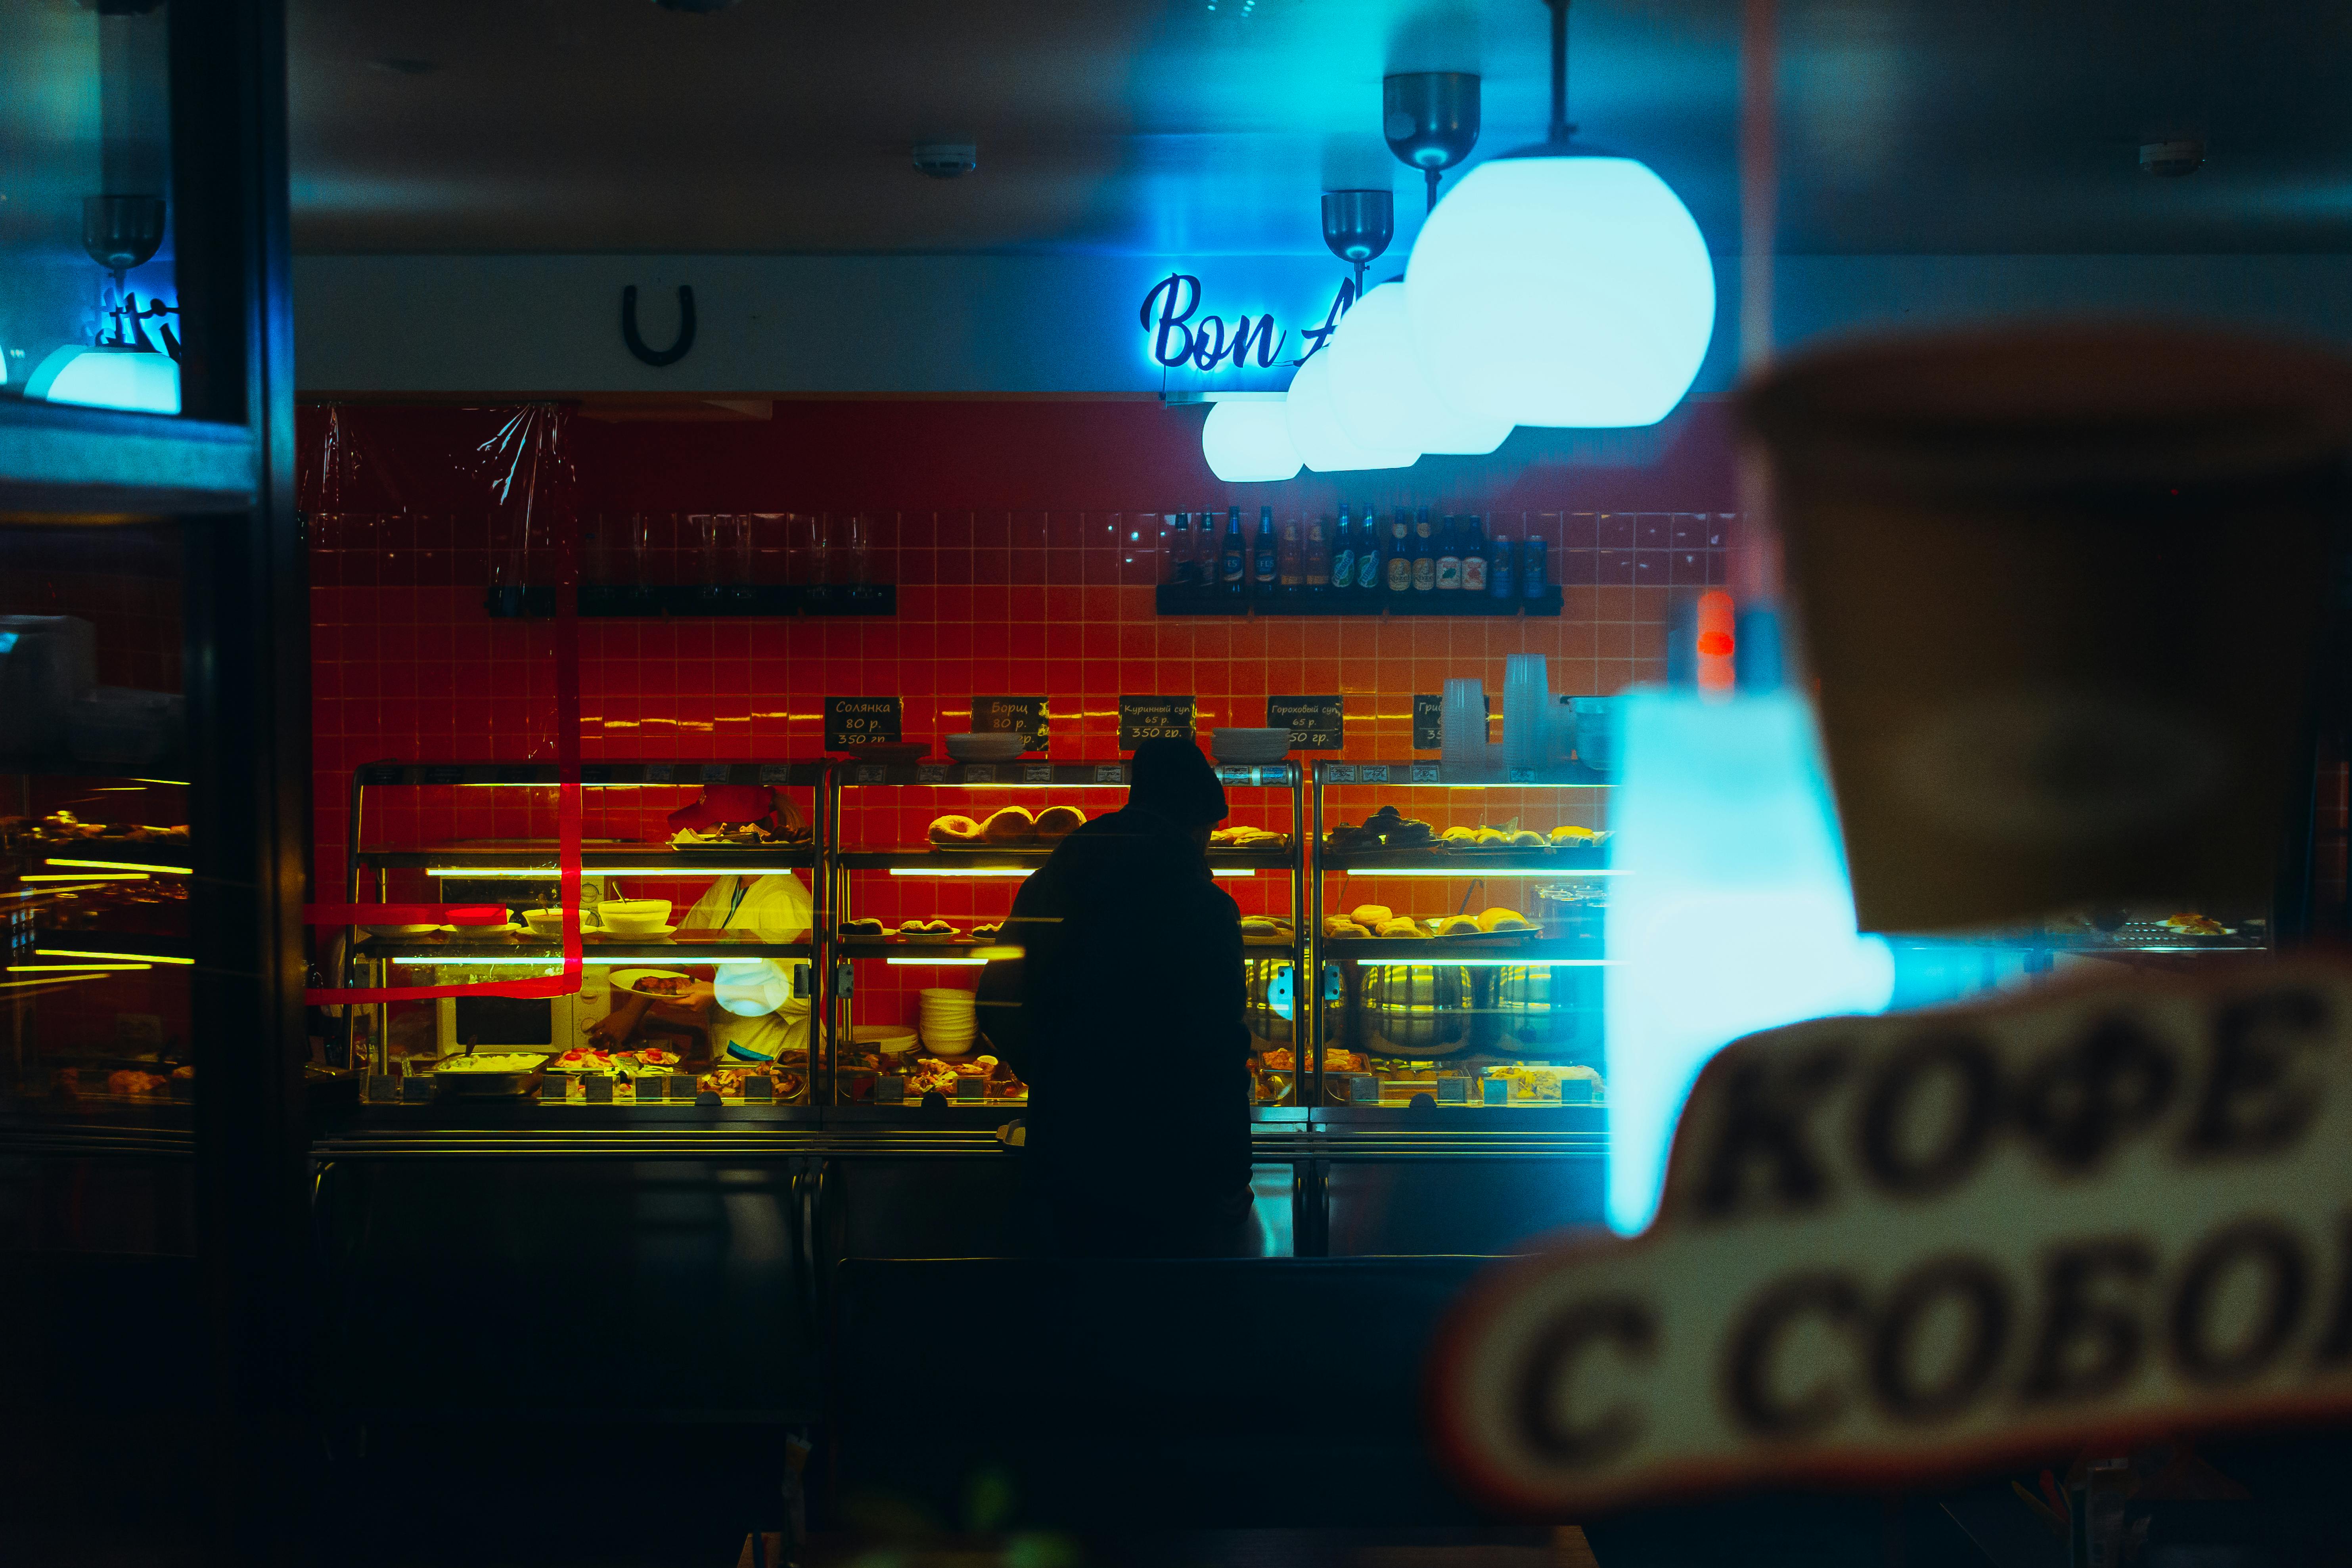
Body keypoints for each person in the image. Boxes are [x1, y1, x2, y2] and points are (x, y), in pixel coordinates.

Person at [980, 737, 1252, 1257]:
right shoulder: (1205, 908)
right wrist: (1231, 1170)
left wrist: (1058, 1075)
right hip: (1173, 1166)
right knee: (1167, 1326)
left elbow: (996, 997)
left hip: (1065, 1156)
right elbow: (1219, 1046)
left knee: (1073, 1320)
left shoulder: (1050, 883)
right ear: (1196, 827)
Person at [590, 787, 813, 1064]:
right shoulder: (730, 884)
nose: (696, 836)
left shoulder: (783, 899)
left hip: (772, 1060)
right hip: (735, 1050)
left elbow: (804, 996)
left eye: (703, 830)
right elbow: (680, 947)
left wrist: (718, 992)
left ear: (742, 831)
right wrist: (630, 1013)